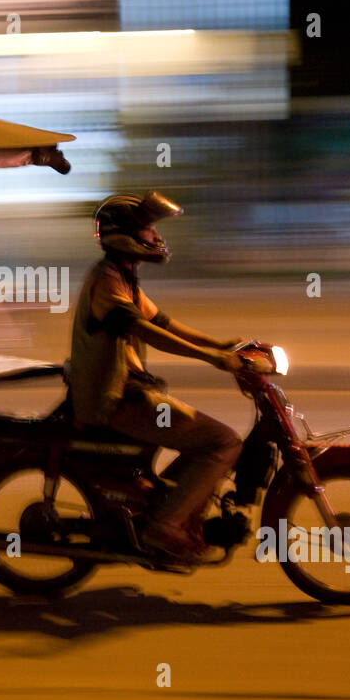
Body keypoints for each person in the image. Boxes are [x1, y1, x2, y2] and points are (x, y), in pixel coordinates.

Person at [67, 191, 247, 561]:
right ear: (123, 235)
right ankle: (165, 526)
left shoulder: (123, 278)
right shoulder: (106, 282)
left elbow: (163, 322)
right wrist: (211, 358)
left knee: (205, 440)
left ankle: (171, 508)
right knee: (224, 441)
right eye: (147, 229)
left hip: (126, 393)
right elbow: (149, 332)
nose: (153, 236)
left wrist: (221, 345)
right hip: (114, 401)